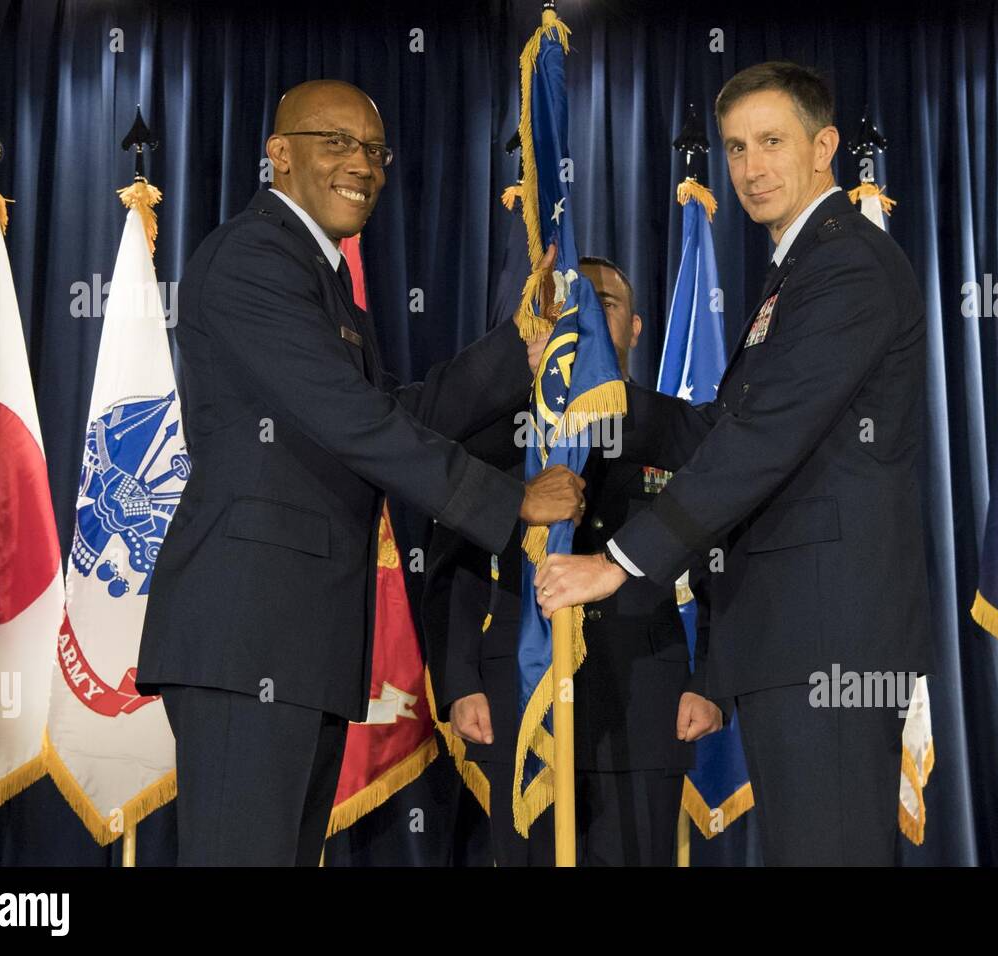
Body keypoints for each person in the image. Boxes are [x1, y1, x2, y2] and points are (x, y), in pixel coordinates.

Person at [135, 80, 584, 866]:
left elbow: (391, 411)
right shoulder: (253, 256)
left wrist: (522, 346)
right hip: (249, 635)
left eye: (374, 151)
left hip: (294, 641)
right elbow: (355, 422)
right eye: (335, 142)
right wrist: (513, 503)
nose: (363, 166)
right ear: (278, 156)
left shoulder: (320, 270)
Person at [534, 62, 933, 865]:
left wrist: (619, 563)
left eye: (772, 142)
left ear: (824, 147)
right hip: (794, 631)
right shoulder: (797, 266)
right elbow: (721, 427)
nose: (749, 168)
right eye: (736, 147)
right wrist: (601, 386)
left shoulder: (846, 263)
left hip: (831, 641)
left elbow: (764, 439)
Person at [425, 257, 723, 866]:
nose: (583, 313)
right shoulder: (497, 432)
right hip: (519, 696)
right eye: (568, 300)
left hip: (645, 699)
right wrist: (459, 682)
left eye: (603, 302)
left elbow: (722, 558)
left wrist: (712, 682)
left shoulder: (675, 428)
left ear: (636, 328)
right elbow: (452, 566)